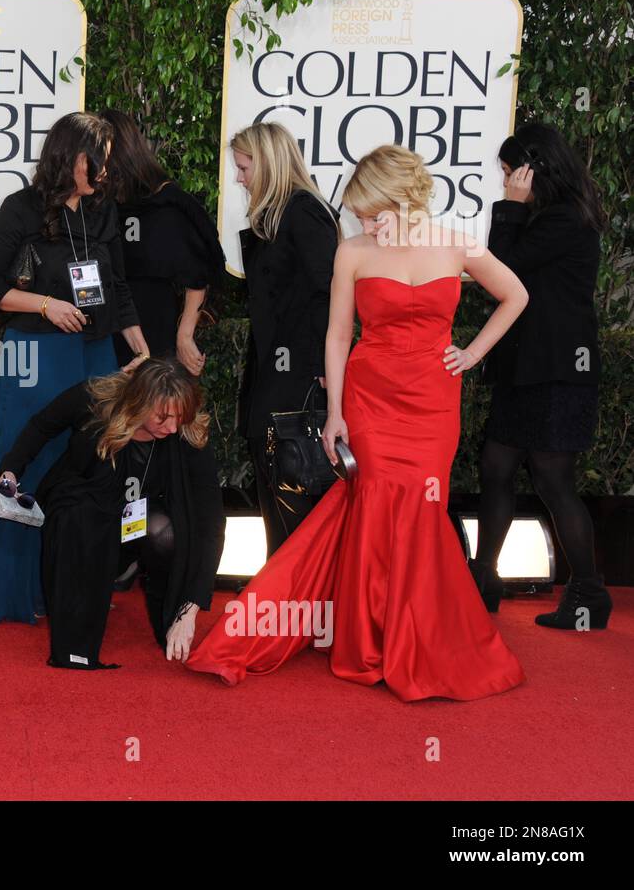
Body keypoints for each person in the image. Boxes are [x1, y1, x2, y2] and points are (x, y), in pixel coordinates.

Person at [186, 144, 527, 702]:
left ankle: (415, 639)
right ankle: (367, 642)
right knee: (372, 505)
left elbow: (517, 295)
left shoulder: (455, 243)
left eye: (374, 213)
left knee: (423, 509)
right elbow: (338, 336)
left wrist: (471, 353)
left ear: (404, 198)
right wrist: (337, 413)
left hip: (434, 404)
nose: (366, 223)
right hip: (371, 400)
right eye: (362, 215)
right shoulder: (353, 252)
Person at [0, 112, 149, 624]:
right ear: (68, 157)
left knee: (85, 466)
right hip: (37, 356)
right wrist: (44, 305)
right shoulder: (22, 210)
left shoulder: (104, 213)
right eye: (95, 159)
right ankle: (10, 584)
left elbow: (118, 289)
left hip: (97, 353)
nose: (104, 169)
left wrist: (138, 345)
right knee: (28, 464)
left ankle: (71, 581)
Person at [0, 358, 226, 669]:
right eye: (162, 418)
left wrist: (191, 608)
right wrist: (10, 470)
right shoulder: (98, 398)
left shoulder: (188, 432)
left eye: (179, 418)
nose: (172, 428)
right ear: (139, 402)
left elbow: (211, 523)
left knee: (165, 531)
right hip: (83, 505)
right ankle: (75, 640)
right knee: (76, 518)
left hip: (135, 518)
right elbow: (42, 425)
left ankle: (168, 618)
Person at [471, 122, 611, 630]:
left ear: (534, 170)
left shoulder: (565, 220)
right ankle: (484, 581)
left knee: (552, 479)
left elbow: (500, 270)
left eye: (510, 172)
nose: (506, 181)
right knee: (496, 467)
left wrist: (508, 207)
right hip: (527, 368)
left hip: (556, 371)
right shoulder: (551, 216)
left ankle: (589, 594)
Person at [229, 122, 341, 556]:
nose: (239, 178)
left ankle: (299, 597)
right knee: (273, 473)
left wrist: (325, 370)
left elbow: (331, 296)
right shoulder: (279, 214)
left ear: (269, 163)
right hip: (277, 368)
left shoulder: (304, 211)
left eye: (243, 168)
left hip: (301, 375)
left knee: (292, 480)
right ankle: (287, 593)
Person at [101, 109, 225, 373]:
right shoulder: (96, 203)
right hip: (104, 329)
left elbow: (197, 275)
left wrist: (185, 336)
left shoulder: (167, 204)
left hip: (155, 328)